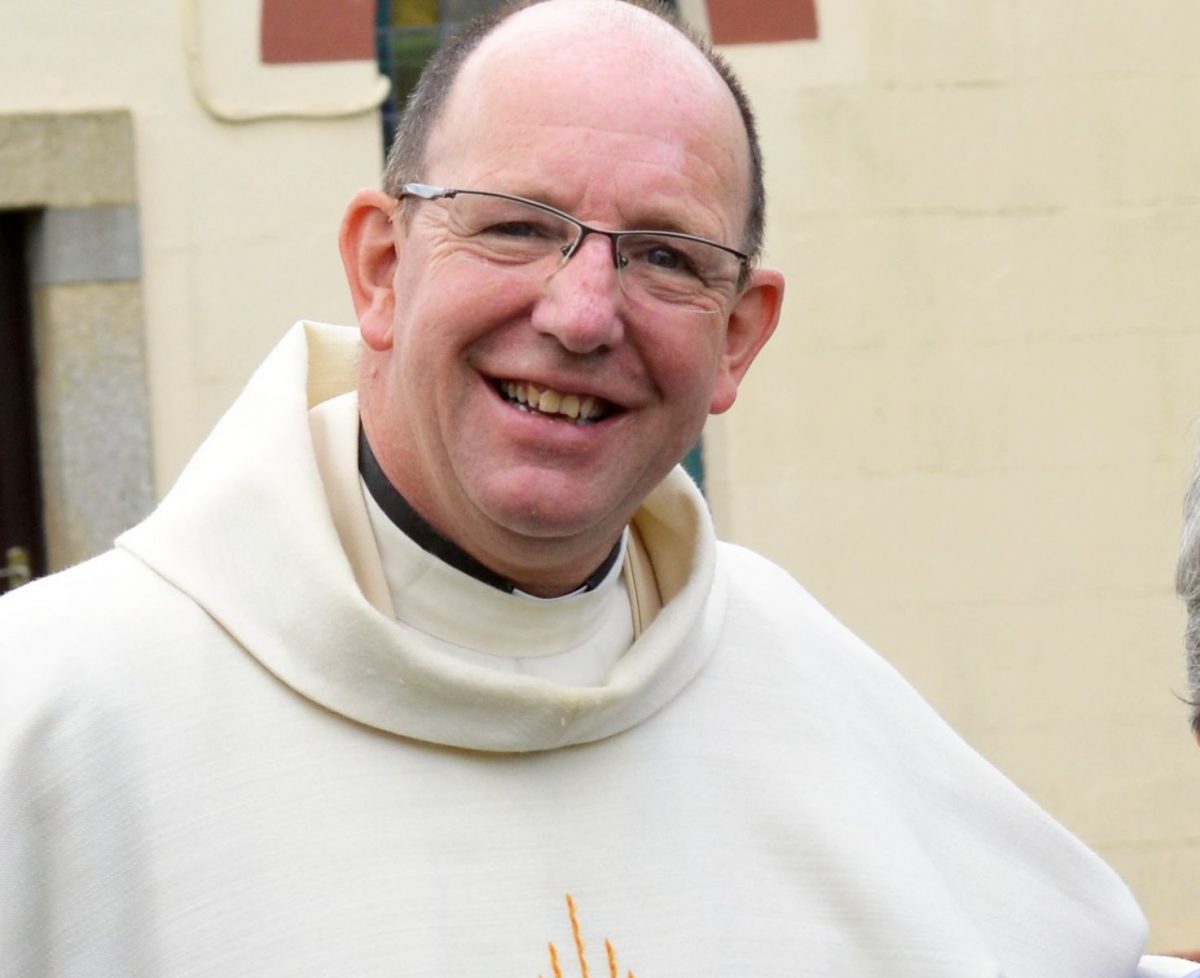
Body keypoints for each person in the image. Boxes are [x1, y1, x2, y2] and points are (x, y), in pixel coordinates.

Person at [1, 1, 1195, 975]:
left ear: (737, 339)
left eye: (666, 256)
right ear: (381, 267)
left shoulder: (804, 677)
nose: (580, 315)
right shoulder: (52, 713)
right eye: (518, 228)